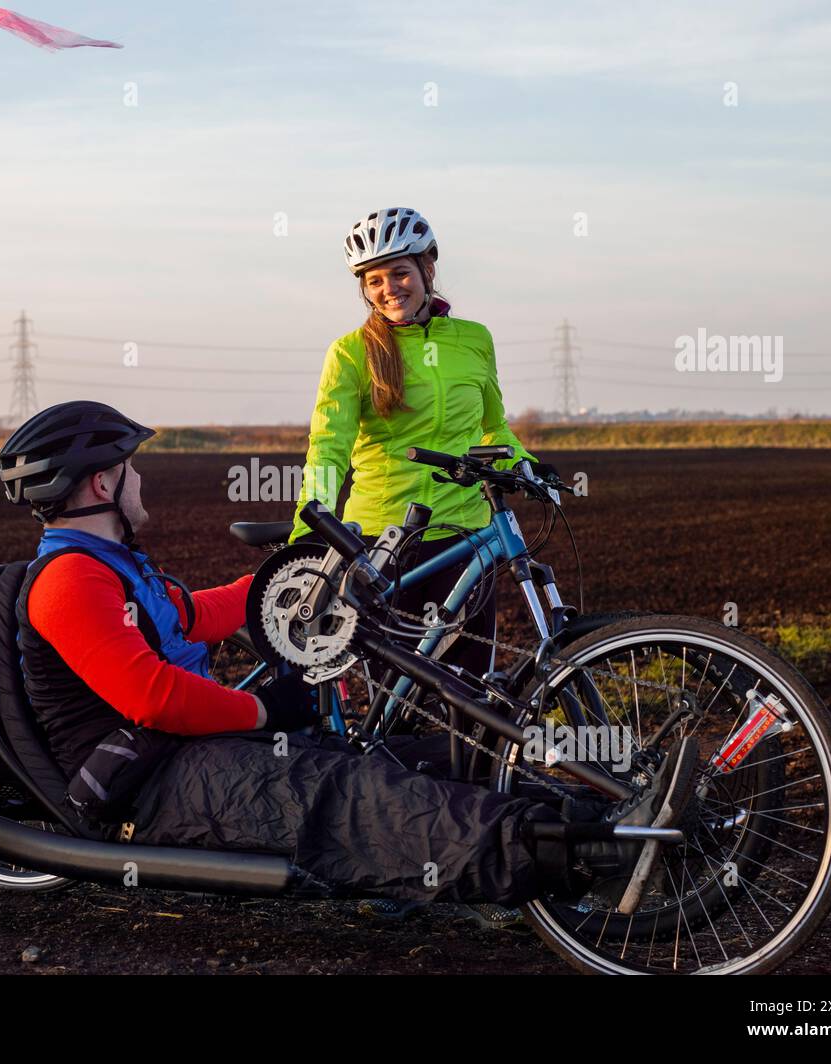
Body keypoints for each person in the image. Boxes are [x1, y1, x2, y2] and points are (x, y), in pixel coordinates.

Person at [0, 401, 629, 909]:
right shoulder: (68, 582)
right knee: (346, 794)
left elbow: (203, 612)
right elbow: (153, 698)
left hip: (196, 753)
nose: (140, 479)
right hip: (151, 782)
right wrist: (262, 709)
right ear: (103, 482)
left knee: (421, 757)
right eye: (132, 468)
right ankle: (576, 850)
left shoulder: (117, 566)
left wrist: (316, 577)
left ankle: (602, 815)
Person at [291, 208, 546, 922]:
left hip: (468, 535)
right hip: (386, 540)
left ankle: (471, 859)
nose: (387, 288)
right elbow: (328, 447)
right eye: (373, 280)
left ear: (428, 269)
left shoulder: (473, 340)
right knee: (397, 704)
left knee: (471, 693)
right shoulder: (351, 353)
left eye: (398, 273)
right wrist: (307, 536)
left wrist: (528, 468)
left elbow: (492, 426)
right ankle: (394, 865)